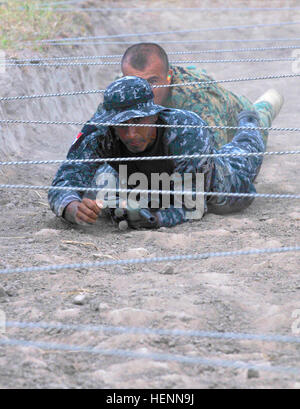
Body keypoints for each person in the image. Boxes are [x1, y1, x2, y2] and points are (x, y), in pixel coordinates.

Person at [48, 76, 265, 229]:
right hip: (142, 185)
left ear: (153, 115)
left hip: (216, 185)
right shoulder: (99, 131)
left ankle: (251, 119)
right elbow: (65, 180)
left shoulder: (186, 129)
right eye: (122, 125)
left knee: (247, 147)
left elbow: (192, 205)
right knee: (102, 183)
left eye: (138, 121)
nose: (131, 134)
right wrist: (72, 208)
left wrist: (155, 220)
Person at [83, 42, 283, 149]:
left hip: (233, 112)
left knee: (255, 124)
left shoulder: (197, 98)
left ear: (168, 77)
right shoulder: (123, 89)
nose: (144, 90)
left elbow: (215, 157)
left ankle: (266, 104)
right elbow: (94, 133)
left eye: (153, 81)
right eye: (136, 81)